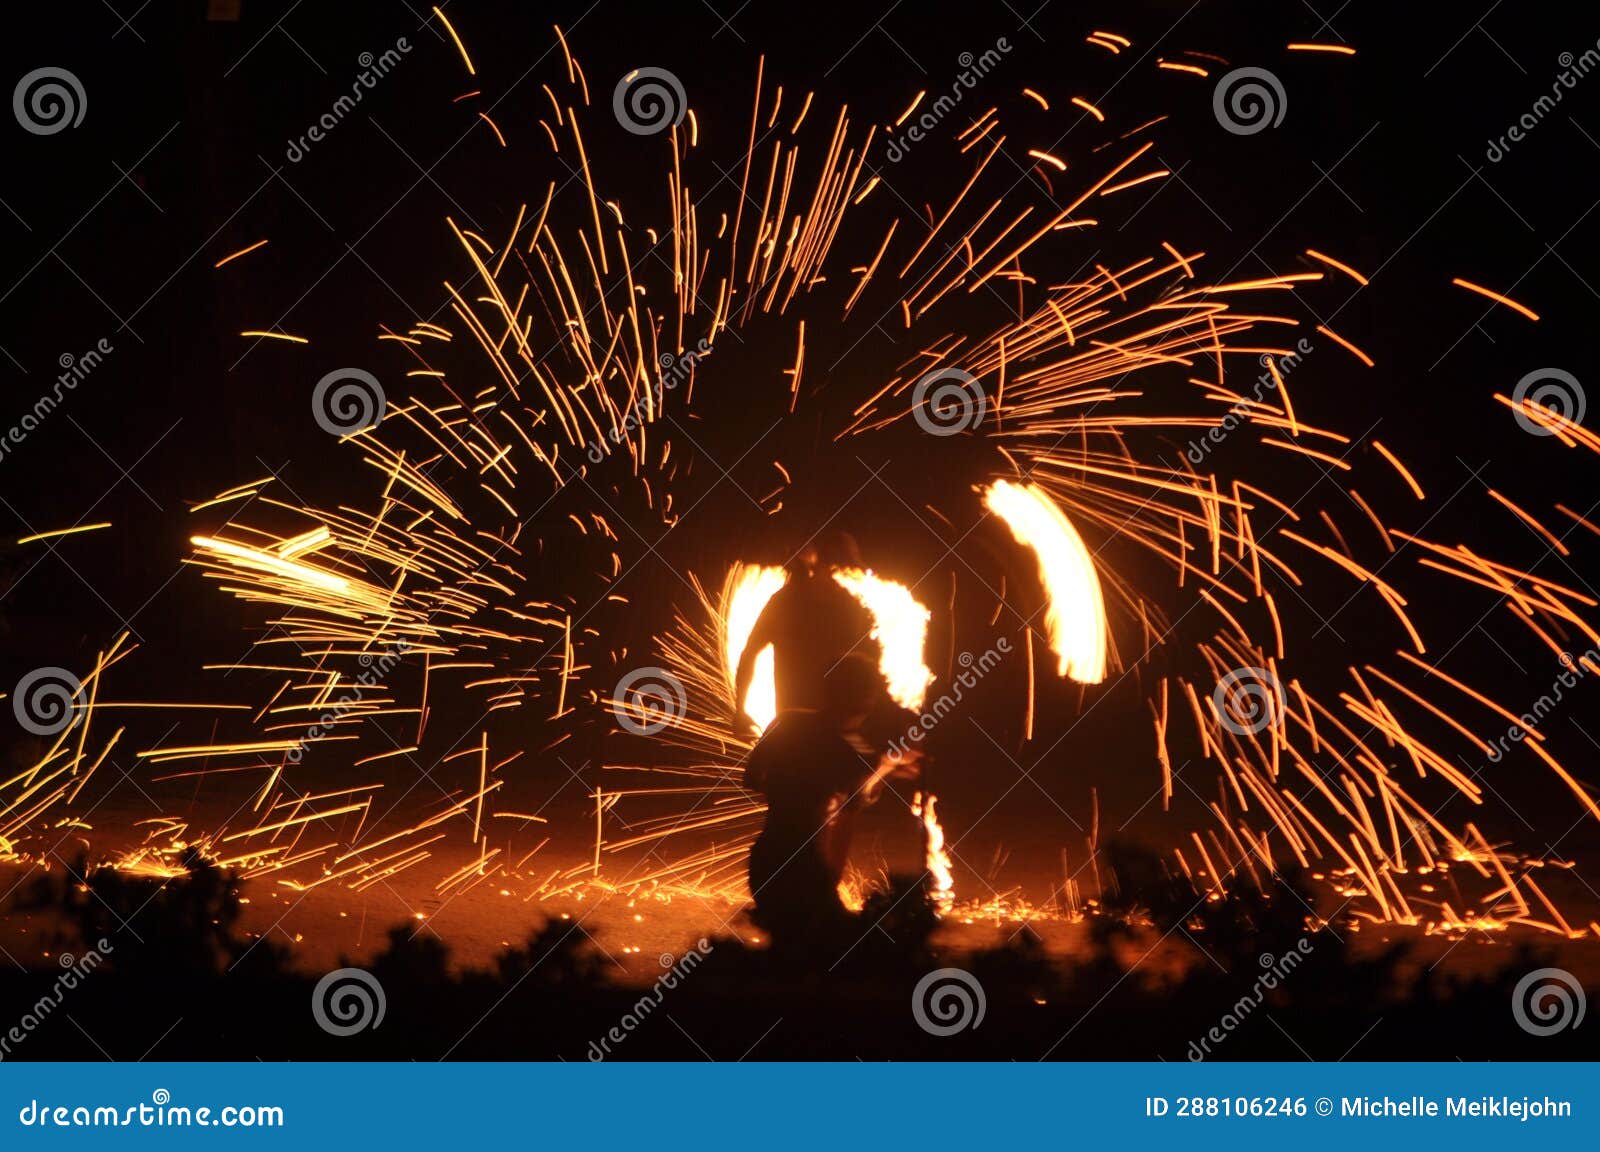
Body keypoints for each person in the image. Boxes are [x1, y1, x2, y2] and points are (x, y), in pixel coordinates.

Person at [743, 655, 921, 946]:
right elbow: (856, 791)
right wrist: (890, 766)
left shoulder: (785, 721)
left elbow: (750, 779)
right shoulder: (849, 752)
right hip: (804, 872)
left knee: (787, 954)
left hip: (764, 863)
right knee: (845, 951)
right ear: (863, 702)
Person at [734, 532, 877, 726]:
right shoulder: (785, 602)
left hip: (834, 729)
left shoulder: (853, 608)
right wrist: (740, 709)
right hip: (795, 729)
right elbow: (750, 653)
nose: (844, 578)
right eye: (841, 568)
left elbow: (870, 667)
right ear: (820, 565)